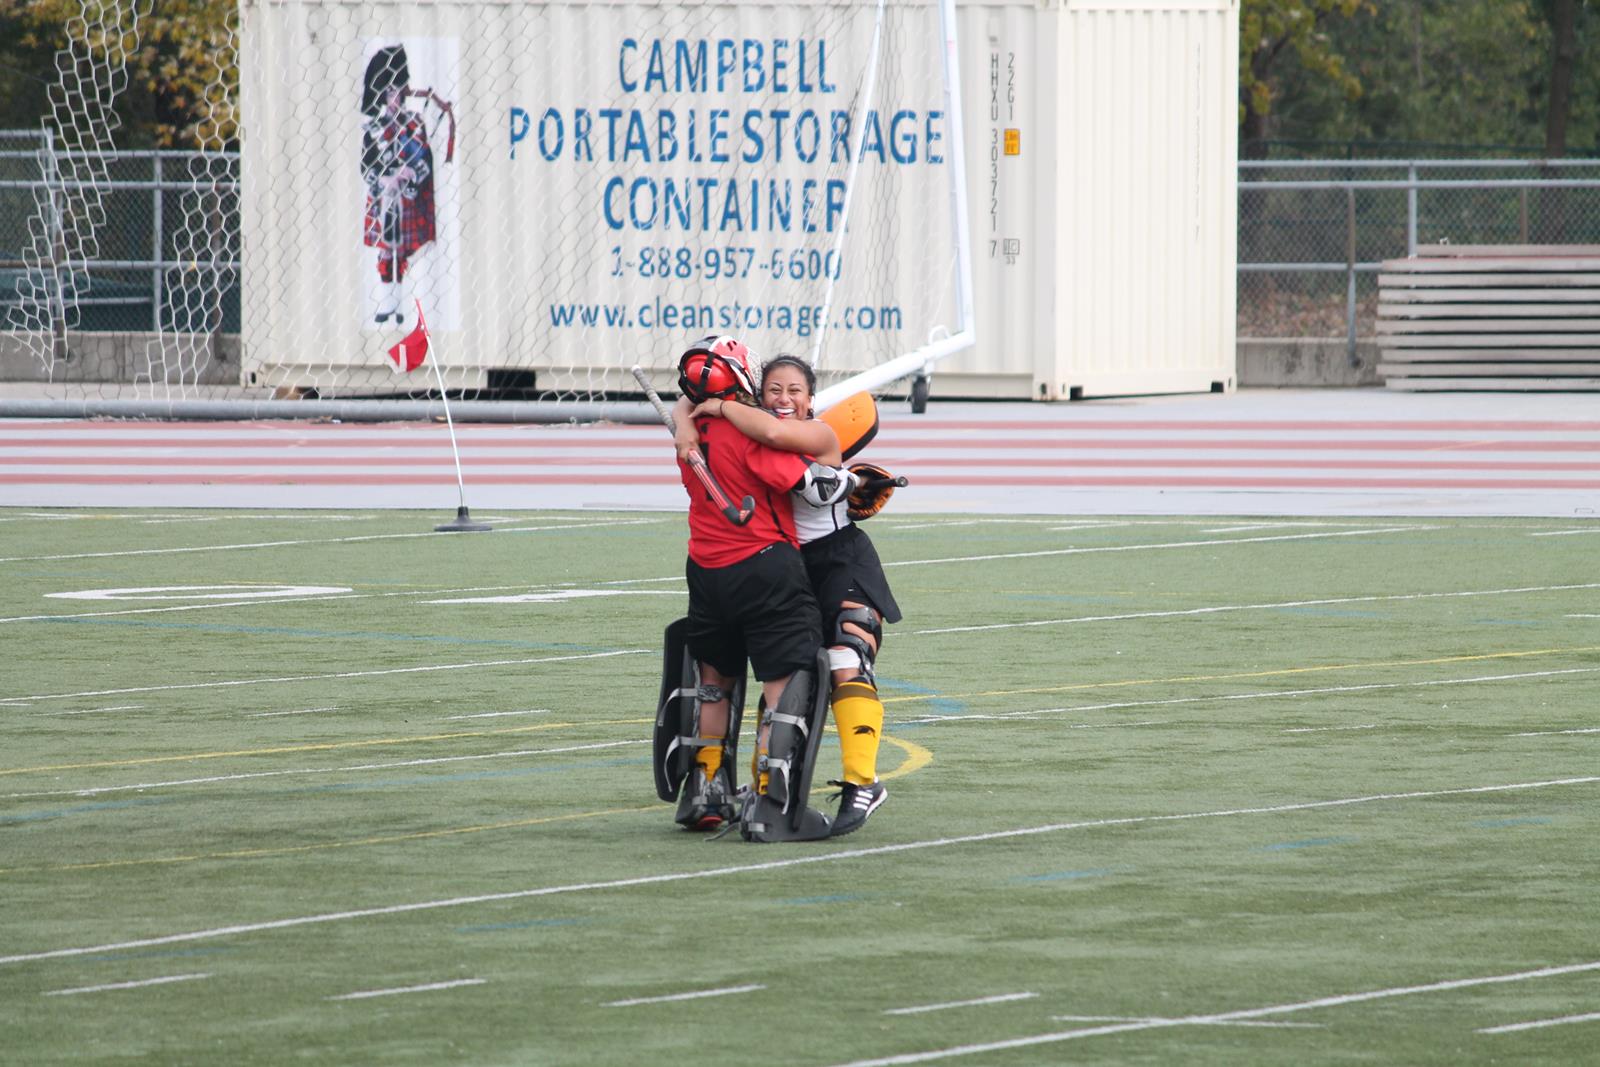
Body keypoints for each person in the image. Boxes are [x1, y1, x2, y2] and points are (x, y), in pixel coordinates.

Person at [675, 355, 900, 837]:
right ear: (757, 395)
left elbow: (779, 438)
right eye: (774, 390)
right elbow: (687, 403)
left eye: (795, 391)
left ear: (811, 399)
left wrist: (713, 410)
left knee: (846, 659)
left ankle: (863, 781)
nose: (783, 399)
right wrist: (686, 423)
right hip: (792, 567)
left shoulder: (814, 433)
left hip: (838, 561)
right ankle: (762, 788)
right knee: (784, 672)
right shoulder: (751, 430)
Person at [361, 45, 438, 325]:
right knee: (386, 252)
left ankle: (400, 303)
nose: (394, 97)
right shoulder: (373, 130)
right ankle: (387, 303)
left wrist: (412, 176)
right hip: (384, 199)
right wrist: (384, 179)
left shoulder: (414, 124)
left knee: (401, 253)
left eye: (397, 91)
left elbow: (425, 161)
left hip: (406, 200)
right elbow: (366, 167)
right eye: (389, 92)